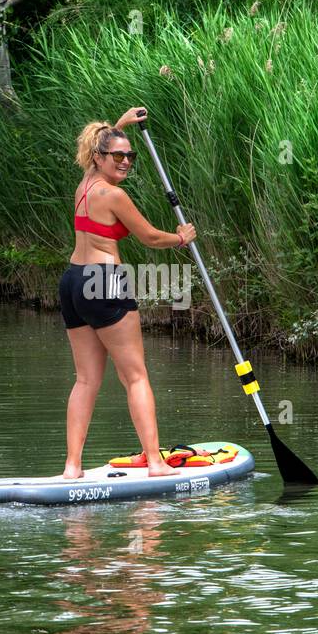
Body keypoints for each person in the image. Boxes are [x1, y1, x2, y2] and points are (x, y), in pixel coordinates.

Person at [58, 107, 196, 479]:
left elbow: (101, 151)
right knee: (135, 376)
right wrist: (180, 238)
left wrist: (117, 129)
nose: (126, 162)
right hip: (103, 282)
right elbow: (150, 237)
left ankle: (73, 467)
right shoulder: (114, 196)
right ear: (98, 157)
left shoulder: (85, 185)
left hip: (73, 282)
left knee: (86, 379)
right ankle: (154, 463)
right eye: (117, 156)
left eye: (130, 156)